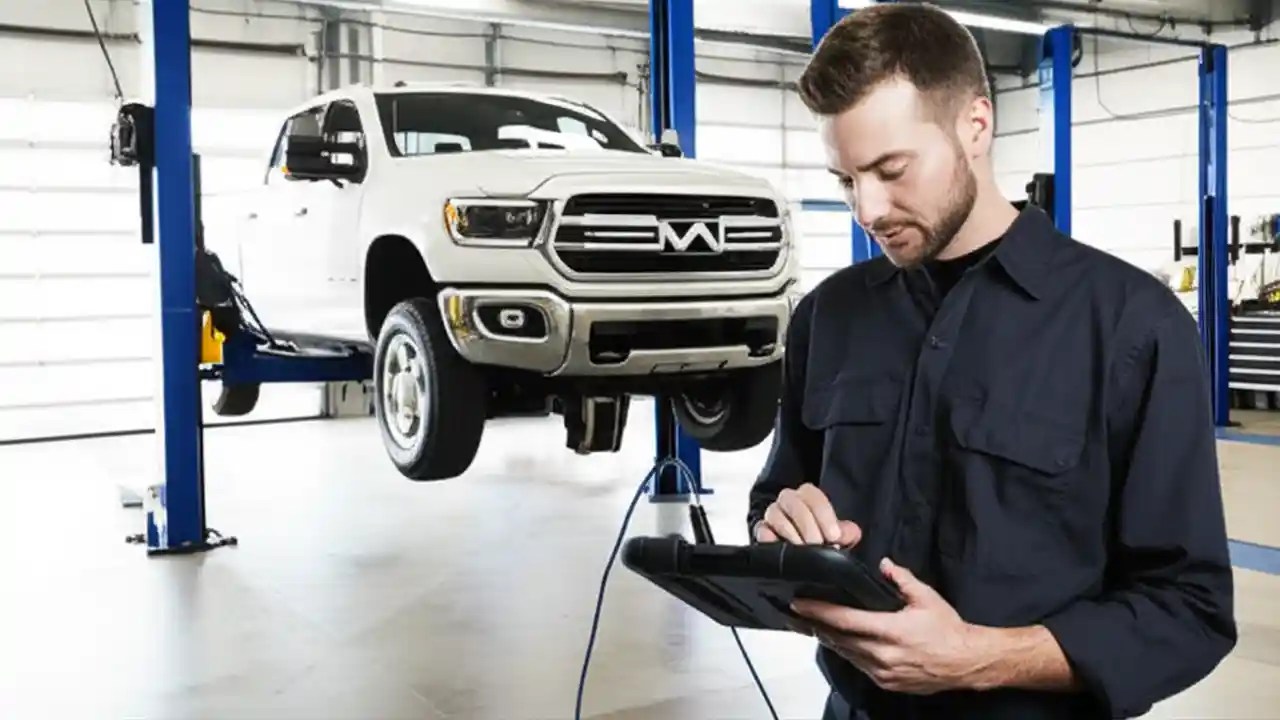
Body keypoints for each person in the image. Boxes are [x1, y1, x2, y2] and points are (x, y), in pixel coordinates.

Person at [747, 3, 1237, 719]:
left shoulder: (1131, 327)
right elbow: (777, 497)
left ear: (976, 126)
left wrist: (978, 655)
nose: (868, 209)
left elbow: (1189, 610)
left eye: (890, 169)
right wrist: (781, 525)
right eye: (846, 179)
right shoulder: (829, 316)